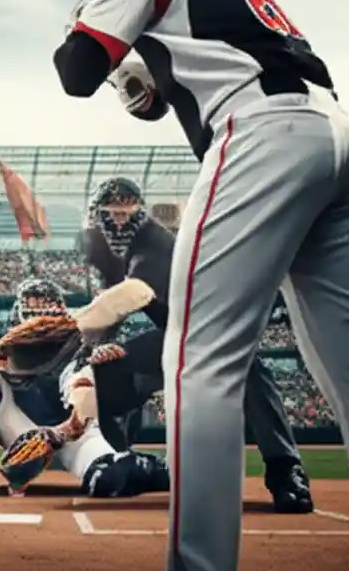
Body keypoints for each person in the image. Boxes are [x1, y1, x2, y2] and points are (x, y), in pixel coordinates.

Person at [52, 0, 349, 571]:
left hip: (263, 136)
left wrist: (87, 28)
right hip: (338, 137)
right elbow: (172, 85)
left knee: (196, 364)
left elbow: (76, 71)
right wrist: (145, 81)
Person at [76, 175, 313, 513]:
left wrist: (75, 330)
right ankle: (116, 459)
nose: (116, 220)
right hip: (176, 337)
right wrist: (93, 351)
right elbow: (112, 313)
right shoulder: (106, 252)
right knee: (105, 372)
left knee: (248, 369)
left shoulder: (155, 241)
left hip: (213, 328)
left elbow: (132, 294)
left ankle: (285, 469)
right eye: (110, 213)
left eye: (124, 213)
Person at [0, 277, 170, 498]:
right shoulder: (8, 352)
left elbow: (80, 392)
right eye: (33, 311)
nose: (40, 318)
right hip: (21, 426)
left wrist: (62, 431)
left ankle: (161, 471)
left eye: (46, 309)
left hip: (73, 432)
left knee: (108, 479)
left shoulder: (79, 345)